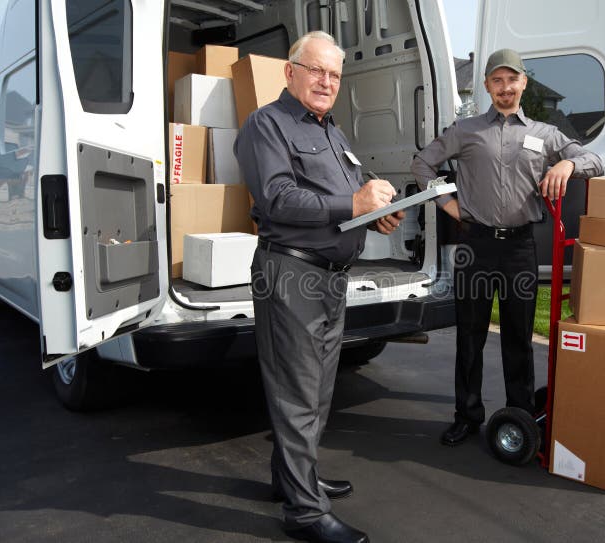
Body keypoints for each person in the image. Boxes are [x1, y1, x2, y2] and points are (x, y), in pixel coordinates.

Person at [235, 31, 403, 543]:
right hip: (291, 274)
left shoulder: (334, 133)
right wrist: (353, 205)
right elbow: (278, 199)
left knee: (317, 389)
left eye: (334, 74)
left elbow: (345, 196)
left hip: (328, 278)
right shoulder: (267, 124)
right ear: (291, 72)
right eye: (317, 71)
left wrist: (374, 217)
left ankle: (291, 479)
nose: (326, 81)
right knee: (297, 394)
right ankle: (305, 513)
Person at [411, 48, 604, 447]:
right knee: (471, 335)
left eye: (511, 80)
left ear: (523, 84)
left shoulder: (546, 134)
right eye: (497, 81)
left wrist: (567, 165)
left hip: (519, 249)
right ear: (486, 86)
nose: (505, 88)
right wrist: (448, 205)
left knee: (518, 337)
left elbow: (594, 161)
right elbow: (422, 165)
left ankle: (520, 416)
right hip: (475, 246)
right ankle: (467, 415)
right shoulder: (465, 131)